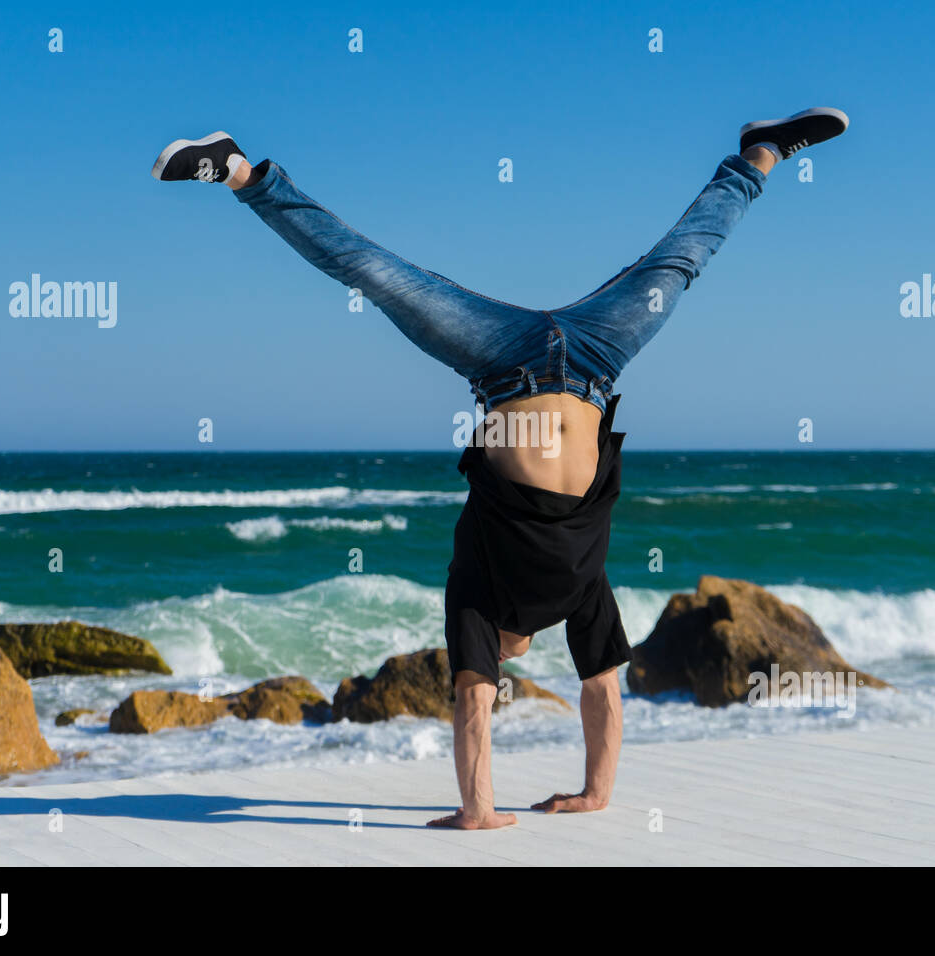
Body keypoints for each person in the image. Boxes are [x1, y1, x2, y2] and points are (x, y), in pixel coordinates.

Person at [151, 108, 849, 830]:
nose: (508, 656)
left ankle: (237, 170)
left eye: (505, 654)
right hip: (595, 363)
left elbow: (474, 702)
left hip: (500, 362)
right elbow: (603, 692)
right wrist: (595, 793)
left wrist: (478, 812)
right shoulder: (581, 591)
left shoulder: (476, 593)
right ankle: (760, 152)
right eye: (511, 653)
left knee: (375, 271)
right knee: (684, 257)